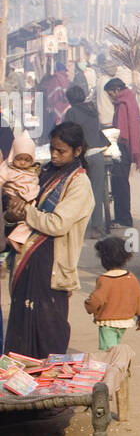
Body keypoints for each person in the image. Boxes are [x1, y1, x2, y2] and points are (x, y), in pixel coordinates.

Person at [4, 121, 94, 357]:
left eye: (61, 151)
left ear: (77, 151)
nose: (54, 155)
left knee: (48, 331)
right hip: (26, 260)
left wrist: (25, 212)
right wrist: (13, 214)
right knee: (21, 326)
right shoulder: (42, 173)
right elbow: (24, 209)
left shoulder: (79, 183)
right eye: (52, 149)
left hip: (52, 267)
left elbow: (57, 223)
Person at [84, 235, 140, 349]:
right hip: (125, 321)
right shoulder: (131, 277)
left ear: (104, 259)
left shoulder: (104, 280)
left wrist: (88, 306)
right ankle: (119, 364)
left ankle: (116, 365)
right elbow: (139, 297)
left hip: (108, 322)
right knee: (116, 348)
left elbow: (96, 300)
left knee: (108, 352)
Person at [64, 84, 110, 236]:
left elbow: (67, 135)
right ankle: (96, 226)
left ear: (70, 100)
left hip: (82, 157)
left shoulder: (72, 112)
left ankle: (76, 226)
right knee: (96, 191)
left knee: (75, 192)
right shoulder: (92, 110)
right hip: (97, 154)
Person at [103, 79, 140, 228]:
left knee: (120, 184)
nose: (111, 97)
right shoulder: (130, 98)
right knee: (121, 183)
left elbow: (121, 131)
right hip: (127, 146)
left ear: (117, 90)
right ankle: (122, 217)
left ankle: (123, 219)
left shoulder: (122, 104)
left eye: (111, 94)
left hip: (123, 147)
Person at [0, 131, 41, 249]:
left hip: (28, 199)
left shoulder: (33, 171)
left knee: (28, 221)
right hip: (10, 198)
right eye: (19, 159)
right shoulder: (7, 168)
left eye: (27, 160)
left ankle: (16, 238)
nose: (22, 162)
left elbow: (35, 185)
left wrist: (26, 197)